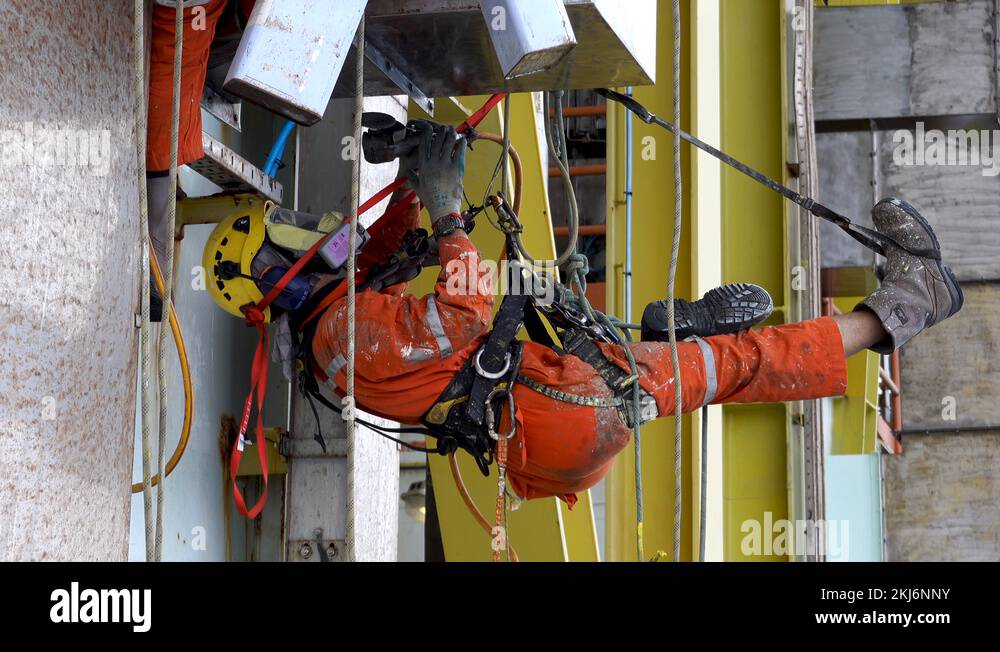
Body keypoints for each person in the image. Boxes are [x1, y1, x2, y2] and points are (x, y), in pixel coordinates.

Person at [206, 122, 957, 506]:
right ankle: (911, 300)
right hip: (555, 405)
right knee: (732, 365)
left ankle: (670, 337)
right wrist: (446, 207)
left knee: (702, 367)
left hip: (542, 425)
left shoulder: (330, 325)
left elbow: (388, 254)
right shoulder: (340, 330)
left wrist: (419, 171)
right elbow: (462, 309)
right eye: (293, 228)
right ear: (278, 270)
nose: (313, 224)